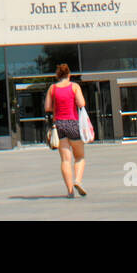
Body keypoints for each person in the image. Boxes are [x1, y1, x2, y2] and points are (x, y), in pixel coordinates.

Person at [43, 64, 87, 198]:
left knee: (65, 160)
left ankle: (70, 191)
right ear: (69, 75)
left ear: (58, 75)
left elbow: (47, 107)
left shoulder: (53, 88)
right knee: (79, 156)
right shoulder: (74, 86)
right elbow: (81, 103)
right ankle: (77, 181)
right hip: (73, 123)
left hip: (59, 125)